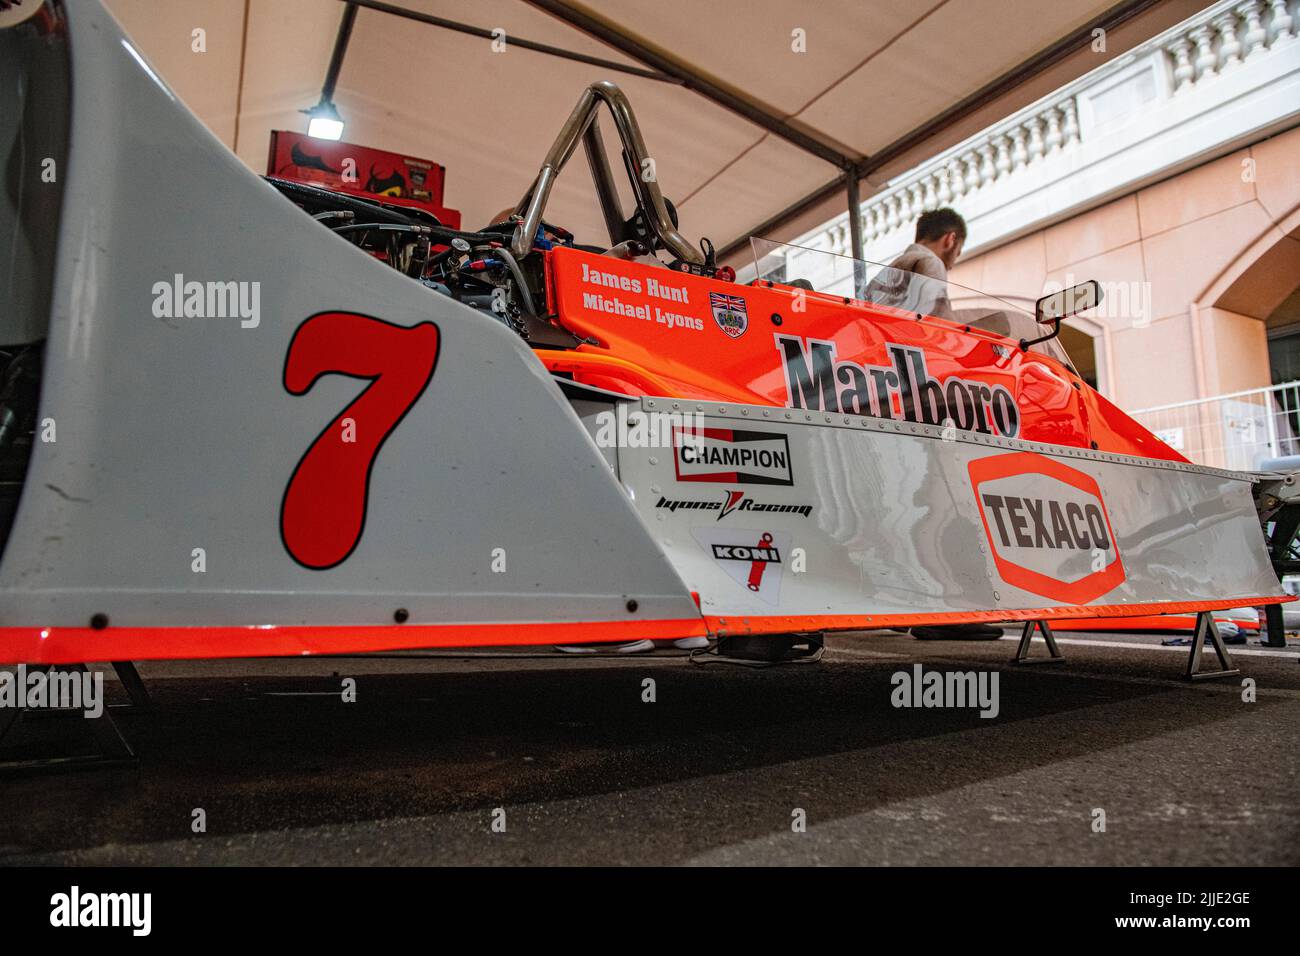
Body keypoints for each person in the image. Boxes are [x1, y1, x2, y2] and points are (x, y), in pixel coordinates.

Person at [864, 207, 966, 320]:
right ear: (950, 239)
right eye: (958, 252)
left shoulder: (891, 270)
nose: (952, 266)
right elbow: (936, 319)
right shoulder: (931, 262)